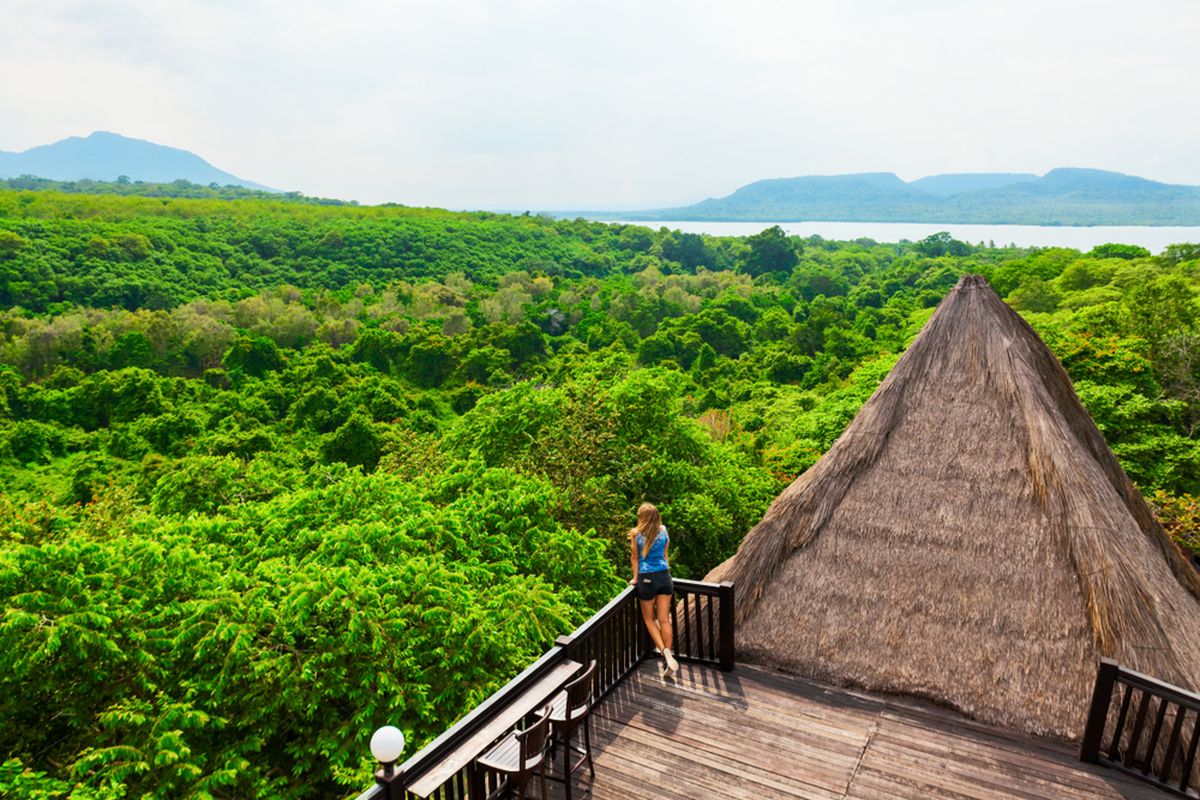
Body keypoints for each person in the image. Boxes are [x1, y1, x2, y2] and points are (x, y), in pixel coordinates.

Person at [629, 502, 679, 678]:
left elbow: (635, 558)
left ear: (641, 518)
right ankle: (668, 657)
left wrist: (635, 579)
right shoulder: (663, 531)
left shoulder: (636, 534)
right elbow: (665, 555)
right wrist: (666, 571)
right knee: (664, 620)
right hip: (665, 576)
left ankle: (664, 652)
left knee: (649, 620)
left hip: (647, 578)